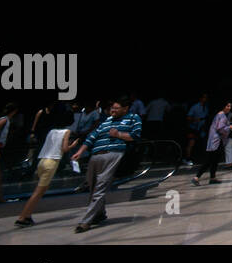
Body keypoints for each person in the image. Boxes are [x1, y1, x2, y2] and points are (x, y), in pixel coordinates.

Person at [71, 97, 142, 233]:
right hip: (96, 155)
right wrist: (80, 152)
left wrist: (119, 134)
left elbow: (135, 135)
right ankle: (100, 213)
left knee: (100, 187)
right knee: (92, 187)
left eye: (116, 108)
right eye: (111, 108)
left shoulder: (133, 118)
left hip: (113, 154)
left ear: (125, 109)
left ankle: (86, 221)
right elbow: (92, 137)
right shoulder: (106, 121)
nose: (112, 111)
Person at [14, 108, 77, 227]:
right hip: (51, 162)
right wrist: (73, 145)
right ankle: (22, 217)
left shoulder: (51, 131)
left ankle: (27, 216)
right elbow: (64, 149)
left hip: (42, 160)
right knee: (37, 192)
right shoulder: (66, 132)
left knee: (40, 189)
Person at [193, 100, 232, 186]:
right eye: (227, 106)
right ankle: (197, 177)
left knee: (214, 160)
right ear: (223, 106)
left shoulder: (219, 115)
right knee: (210, 160)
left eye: (230, 106)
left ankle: (212, 178)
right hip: (216, 141)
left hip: (214, 140)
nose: (229, 108)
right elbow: (221, 128)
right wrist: (229, 127)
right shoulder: (222, 116)